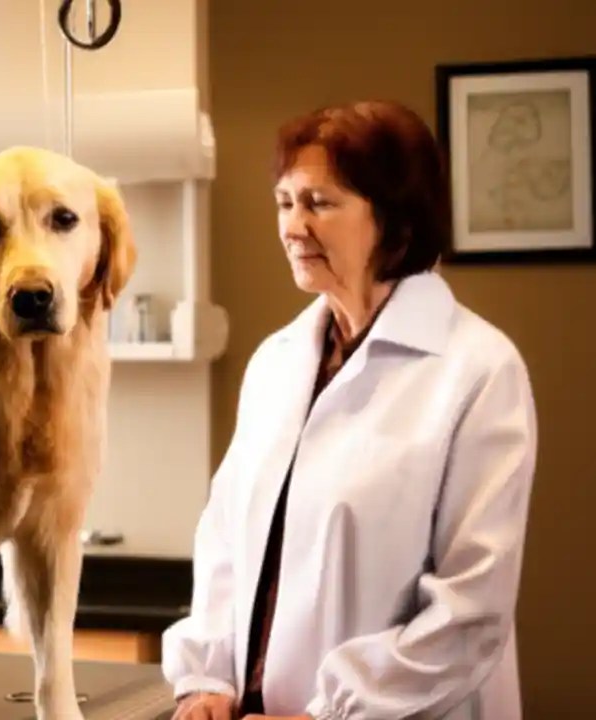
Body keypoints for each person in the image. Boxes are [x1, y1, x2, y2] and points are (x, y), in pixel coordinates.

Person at [162, 99, 538, 720]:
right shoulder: (275, 363)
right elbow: (226, 540)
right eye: (285, 202)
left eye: (319, 203)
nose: (292, 226)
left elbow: (471, 609)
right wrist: (207, 678)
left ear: (394, 219)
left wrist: (333, 713)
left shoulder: (478, 369)